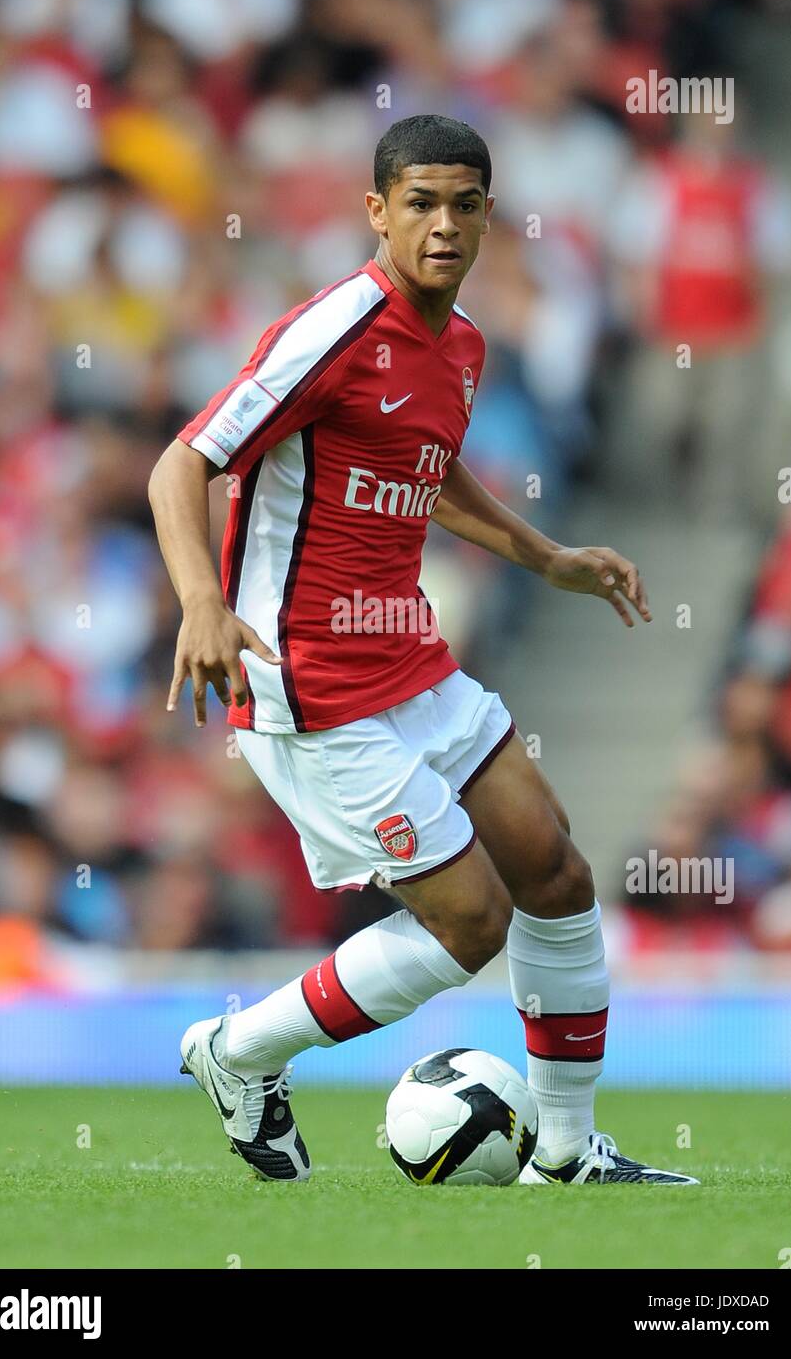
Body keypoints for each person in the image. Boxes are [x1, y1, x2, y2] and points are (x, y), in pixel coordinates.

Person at [148, 114, 697, 1185]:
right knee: (469, 919)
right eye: (419, 203)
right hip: (306, 679)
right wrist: (199, 603)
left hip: (406, 658)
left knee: (553, 866)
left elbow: (428, 471)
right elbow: (183, 462)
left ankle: (566, 1152)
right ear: (377, 212)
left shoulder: (463, 347)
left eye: (462, 204)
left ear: (488, 215)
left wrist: (545, 558)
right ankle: (238, 1050)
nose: (441, 226)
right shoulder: (335, 329)